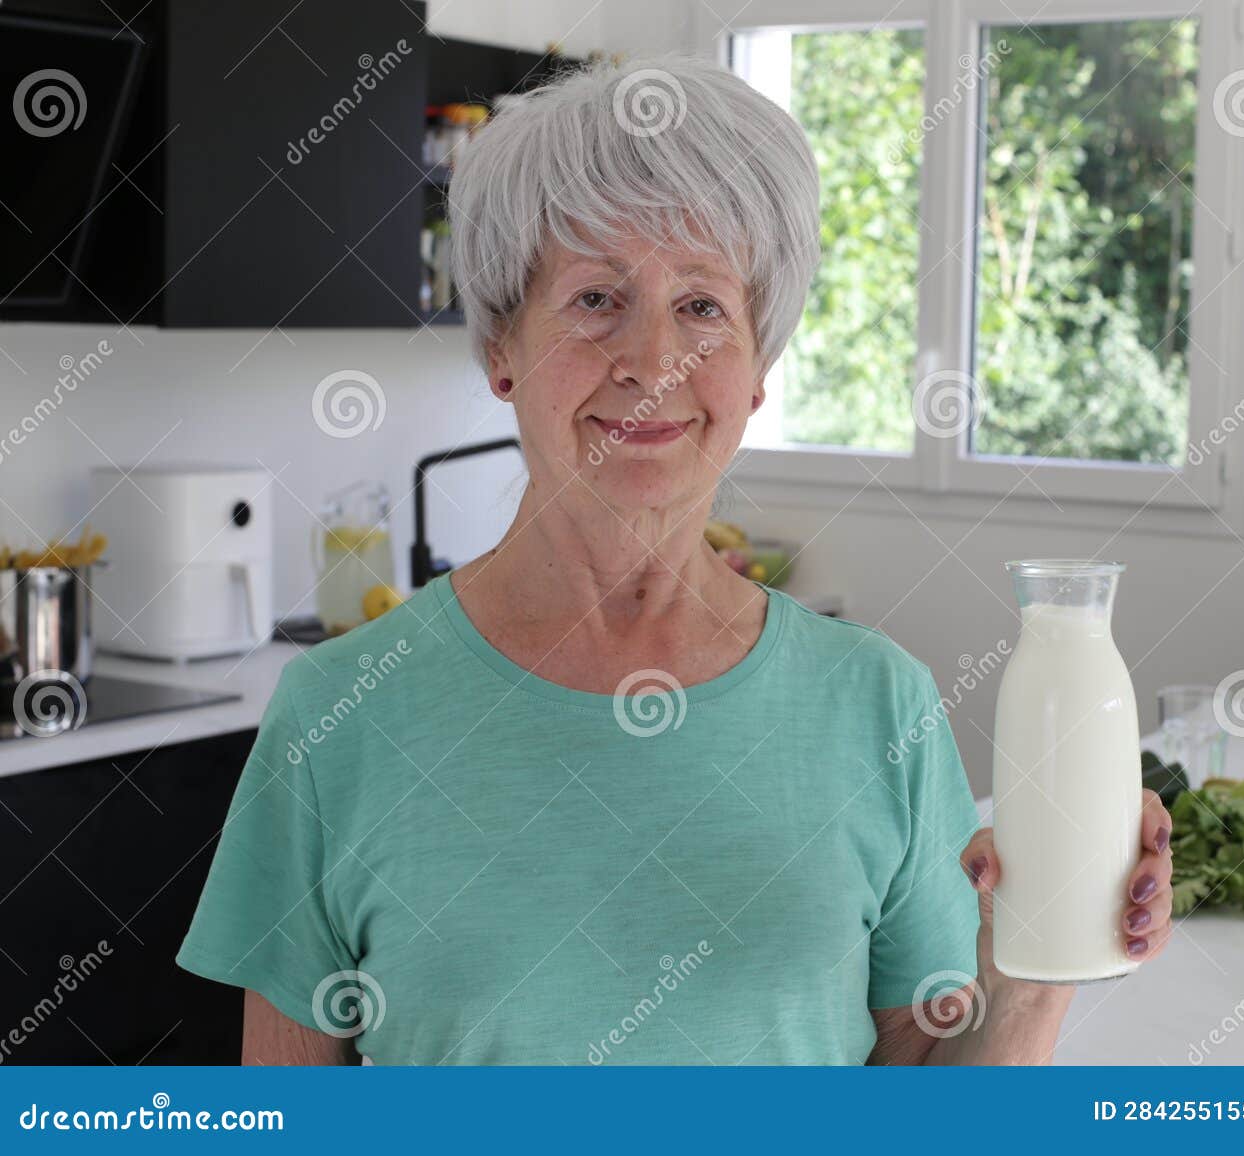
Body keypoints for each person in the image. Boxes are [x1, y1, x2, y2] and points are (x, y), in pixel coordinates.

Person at [178, 54, 1173, 1065]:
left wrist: (1030, 978)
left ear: (755, 372)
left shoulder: (879, 707)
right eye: (596, 298)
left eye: (702, 306)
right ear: (500, 350)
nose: (653, 362)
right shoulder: (339, 715)